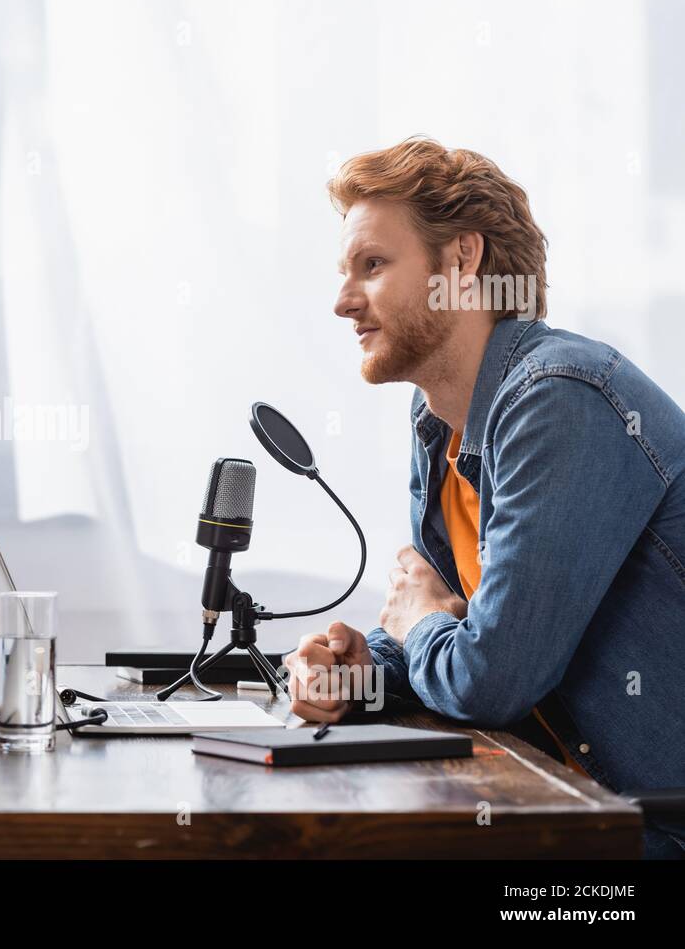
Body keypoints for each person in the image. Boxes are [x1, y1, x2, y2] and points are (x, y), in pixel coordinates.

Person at [285, 138, 685, 858]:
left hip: (648, 831)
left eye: (372, 266)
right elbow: (456, 629)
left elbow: (491, 678)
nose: (344, 301)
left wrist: (419, 624)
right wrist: (361, 675)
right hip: (558, 804)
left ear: (461, 260)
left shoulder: (557, 397)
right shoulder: (441, 421)